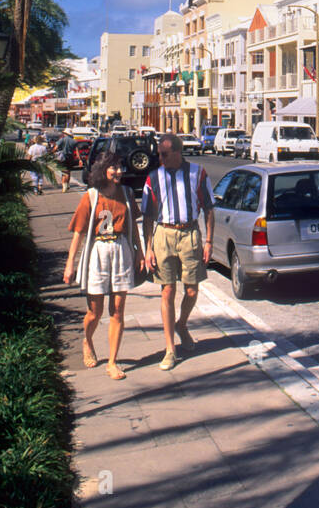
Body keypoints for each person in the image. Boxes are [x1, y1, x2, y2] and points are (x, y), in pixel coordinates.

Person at [63, 152, 145, 379]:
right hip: (98, 253)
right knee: (95, 312)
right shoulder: (91, 196)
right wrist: (70, 264)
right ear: (103, 170)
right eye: (113, 167)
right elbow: (78, 233)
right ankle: (87, 340)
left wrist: (139, 254)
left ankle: (112, 361)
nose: (118, 171)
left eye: (120, 167)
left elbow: (133, 228)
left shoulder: (127, 194)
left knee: (117, 310)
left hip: (121, 251)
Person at [141, 133, 214, 371]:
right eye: (159, 154)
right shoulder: (154, 177)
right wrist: (148, 248)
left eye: (163, 154)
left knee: (192, 289)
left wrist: (209, 241)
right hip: (164, 234)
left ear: (177, 153)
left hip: (190, 233)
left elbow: (209, 208)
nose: (159, 158)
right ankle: (170, 349)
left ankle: (181, 324)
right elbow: (148, 215)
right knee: (167, 291)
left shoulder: (197, 173)